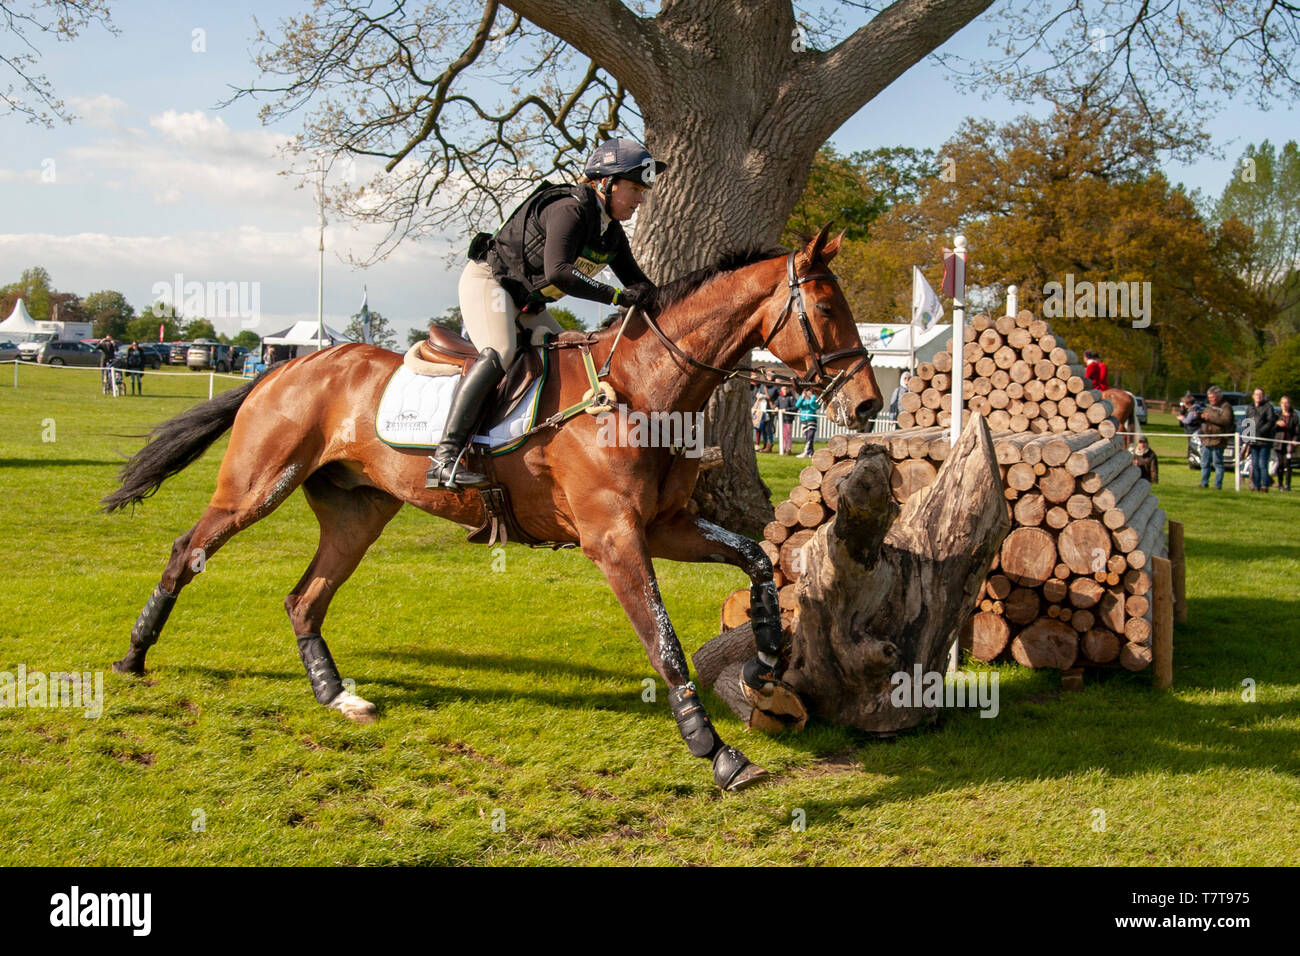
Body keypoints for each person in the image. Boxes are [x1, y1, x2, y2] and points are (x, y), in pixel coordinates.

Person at [425, 137, 663, 489]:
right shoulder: (570, 209)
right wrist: (615, 296)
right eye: (634, 188)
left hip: (527, 303)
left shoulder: (610, 233)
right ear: (604, 183)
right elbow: (560, 273)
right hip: (490, 282)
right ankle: (445, 459)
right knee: (501, 351)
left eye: (643, 190)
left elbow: (641, 286)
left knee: (577, 358)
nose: (640, 199)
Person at [1193, 386, 1234, 489]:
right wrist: (1199, 417)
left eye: (1213, 397)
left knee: (1217, 463)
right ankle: (1204, 483)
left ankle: (1217, 485)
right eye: (1210, 397)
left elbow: (1226, 420)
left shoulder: (1226, 407)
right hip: (1207, 439)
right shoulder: (1209, 407)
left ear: (1219, 396)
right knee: (1204, 463)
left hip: (1218, 440)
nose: (1211, 400)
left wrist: (1209, 417)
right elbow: (1205, 419)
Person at [1243, 387, 1278, 492]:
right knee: (1255, 464)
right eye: (1256, 394)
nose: (1258, 396)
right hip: (1253, 441)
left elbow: (1271, 421)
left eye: (1260, 394)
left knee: (1262, 463)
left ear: (1263, 396)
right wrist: (1246, 438)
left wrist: (1261, 432)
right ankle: (1256, 485)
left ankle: (1265, 485)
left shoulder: (1268, 407)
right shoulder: (1250, 408)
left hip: (1264, 440)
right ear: (1253, 396)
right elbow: (1247, 422)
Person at [1274, 395, 1296, 492]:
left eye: (1286, 403)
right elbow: (1271, 429)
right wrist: (1276, 424)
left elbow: (1297, 431)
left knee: (1288, 464)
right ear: (1280, 404)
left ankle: (1288, 485)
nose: (1285, 405)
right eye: (1283, 403)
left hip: (1289, 444)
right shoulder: (1277, 416)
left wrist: (1294, 440)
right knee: (1280, 464)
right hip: (1279, 443)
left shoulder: (1294, 416)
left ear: (1289, 404)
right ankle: (1280, 484)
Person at [796, 387, 820, 457]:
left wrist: (812, 398)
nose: (807, 393)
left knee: (810, 436)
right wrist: (802, 398)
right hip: (803, 419)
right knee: (807, 437)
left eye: (809, 391)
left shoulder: (814, 398)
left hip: (811, 419)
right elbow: (797, 405)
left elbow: (815, 407)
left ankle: (806, 451)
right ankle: (811, 452)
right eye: (806, 391)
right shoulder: (802, 398)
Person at [774, 385, 797, 455]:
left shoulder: (791, 398)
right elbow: (776, 404)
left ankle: (789, 449)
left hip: (788, 419)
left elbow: (795, 408)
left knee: (788, 434)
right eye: (783, 389)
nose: (785, 390)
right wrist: (776, 407)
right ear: (781, 390)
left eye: (786, 389)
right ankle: (783, 448)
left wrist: (786, 410)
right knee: (783, 434)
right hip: (781, 418)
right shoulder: (779, 397)